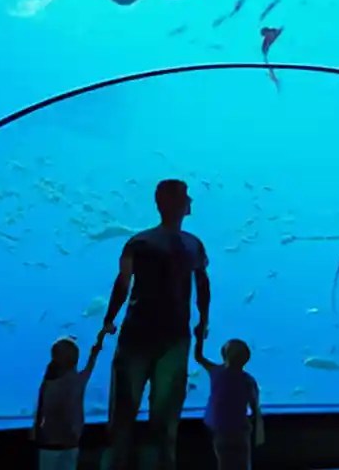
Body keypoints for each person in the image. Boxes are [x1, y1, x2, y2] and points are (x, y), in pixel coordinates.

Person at [102, 179, 211, 470]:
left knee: (124, 417)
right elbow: (202, 286)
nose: (191, 201)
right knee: (163, 422)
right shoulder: (192, 244)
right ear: (175, 203)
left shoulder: (138, 242)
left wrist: (109, 320)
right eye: (186, 196)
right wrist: (202, 324)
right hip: (172, 339)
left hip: (139, 335)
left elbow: (122, 284)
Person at [33, 328, 107, 470]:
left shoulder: (49, 383)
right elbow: (92, 358)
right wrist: (101, 337)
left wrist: (36, 431)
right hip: (70, 443)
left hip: (51, 443)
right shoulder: (78, 380)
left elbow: (41, 410)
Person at [193, 334, 264, 470]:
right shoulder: (248, 380)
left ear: (223, 355)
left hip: (220, 430)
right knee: (243, 463)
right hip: (240, 431)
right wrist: (256, 427)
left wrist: (199, 337)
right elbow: (255, 406)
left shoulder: (216, 371)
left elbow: (198, 357)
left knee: (224, 463)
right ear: (246, 359)